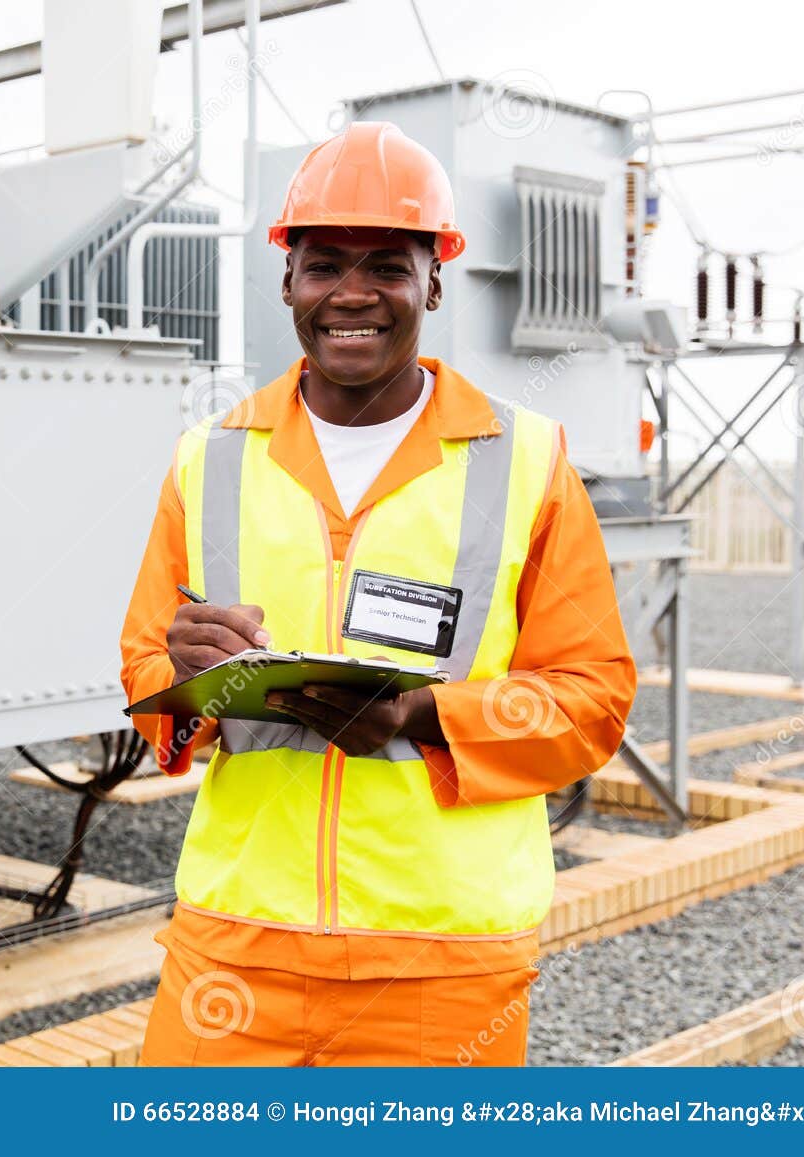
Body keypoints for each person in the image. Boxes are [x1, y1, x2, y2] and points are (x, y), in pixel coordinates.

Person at [119, 121, 636, 1067]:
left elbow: (592, 699)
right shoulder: (212, 457)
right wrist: (185, 677)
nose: (352, 294)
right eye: (324, 265)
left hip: (442, 960)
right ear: (288, 283)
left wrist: (417, 716)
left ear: (433, 281)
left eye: (387, 266)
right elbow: (147, 674)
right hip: (236, 943)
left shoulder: (526, 461)